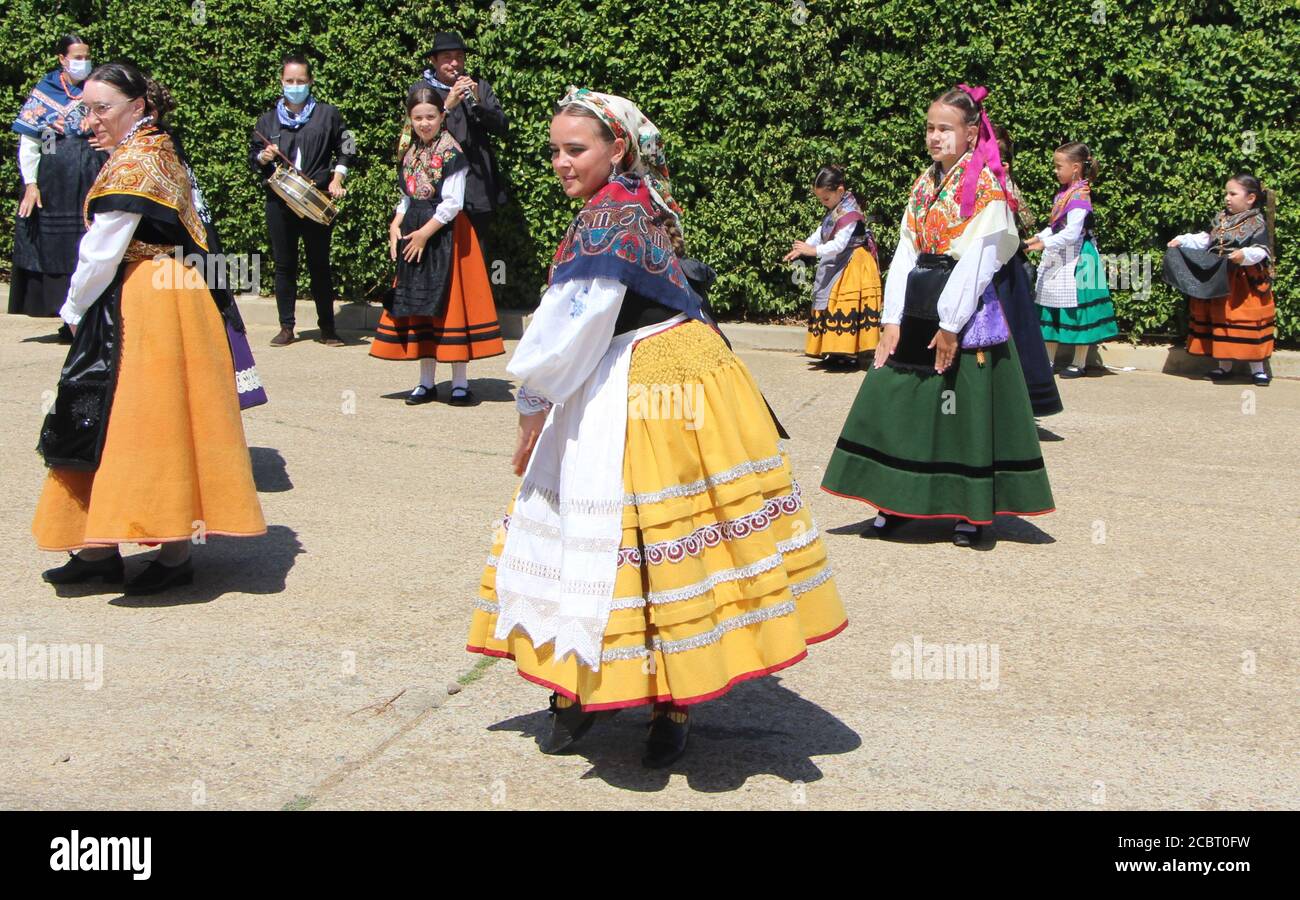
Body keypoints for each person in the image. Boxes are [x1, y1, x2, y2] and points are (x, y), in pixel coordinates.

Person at [466, 88, 845, 768]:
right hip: (689, 370)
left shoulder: (606, 220)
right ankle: (664, 699)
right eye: (554, 149)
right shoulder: (641, 201)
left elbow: (570, 330)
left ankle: (602, 690)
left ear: (618, 149)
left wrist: (531, 410)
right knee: (674, 542)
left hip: (641, 385)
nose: (560, 161)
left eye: (575, 149)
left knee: (603, 527)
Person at [32, 63, 266, 595]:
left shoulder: (136, 161)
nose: (90, 121)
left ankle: (163, 551)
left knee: (137, 419)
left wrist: (71, 310)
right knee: (136, 417)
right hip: (165, 294)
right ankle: (109, 547)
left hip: (148, 301)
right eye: (85, 110)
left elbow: (100, 250)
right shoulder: (157, 147)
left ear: (136, 107)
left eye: (101, 109)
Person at [821, 85, 1054, 548]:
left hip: (964, 310)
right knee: (898, 398)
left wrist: (950, 324)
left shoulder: (987, 186)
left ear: (971, 134)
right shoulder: (925, 183)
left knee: (960, 407)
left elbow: (981, 261)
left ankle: (970, 509)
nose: (934, 137)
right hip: (918, 300)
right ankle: (895, 498)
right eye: (930, 128)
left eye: (945, 129)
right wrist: (892, 317)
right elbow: (907, 247)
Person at [369, 85, 504, 404]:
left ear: (442, 116)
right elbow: (408, 193)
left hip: (447, 234)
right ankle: (425, 381)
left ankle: (459, 383)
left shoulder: (452, 151)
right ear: (410, 119)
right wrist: (396, 222)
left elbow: (453, 202)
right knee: (420, 306)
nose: (424, 123)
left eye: (430, 116)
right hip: (416, 228)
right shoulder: (410, 152)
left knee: (451, 306)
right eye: (418, 117)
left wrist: (425, 233)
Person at [250, 53, 355, 347]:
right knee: (284, 265)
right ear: (281, 82)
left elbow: (347, 145)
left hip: (315, 199)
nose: (294, 85)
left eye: (300, 81)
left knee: (319, 264)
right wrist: (263, 156)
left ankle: (328, 328)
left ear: (310, 81)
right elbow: (253, 159)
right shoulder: (267, 120)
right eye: (289, 81)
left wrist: (337, 178)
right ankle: (286, 327)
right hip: (279, 202)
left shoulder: (328, 114)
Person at [9, 34, 108, 339]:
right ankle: (68, 318)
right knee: (61, 247)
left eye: (86, 55)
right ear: (62, 60)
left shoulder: (100, 87)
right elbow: (34, 143)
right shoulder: (46, 91)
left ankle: (94, 318)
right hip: (57, 185)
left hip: (94, 175)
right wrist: (31, 183)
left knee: (93, 244)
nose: (83, 62)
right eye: (77, 56)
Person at [1164, 173, 1276, 386]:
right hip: (1220, 278)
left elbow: (1262, 251)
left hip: (1244, 283)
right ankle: (1224, 366)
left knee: (1247, 320)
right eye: (1226, 193)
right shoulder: (1221, 218)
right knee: (1221, 320)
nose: (1227, 197)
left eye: (1233, 193)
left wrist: (1245, 255)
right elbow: (1208, 239)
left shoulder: (1256, 222)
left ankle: (1258, 369)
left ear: (1250, 198)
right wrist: (1183, 240)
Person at [1026, 142, 1118, 378]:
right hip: (1060, 253)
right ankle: (1047, 361)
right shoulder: (1066, 193)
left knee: (1079, 310)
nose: (1055, 171)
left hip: (1078, 257)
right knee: (1049, 305)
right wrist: (1035, 239)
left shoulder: (1080, 195)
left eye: (1059, 166)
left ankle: (1079, 362)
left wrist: (1043, 243)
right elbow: (1056, 227)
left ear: (1075, 168)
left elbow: (1072, 232)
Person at [415, 32, 508, 258]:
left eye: (459, 56)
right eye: (447, 57)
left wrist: (479, 103)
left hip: (477, 189)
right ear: (434, 61)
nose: (455, 63)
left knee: (475, 256)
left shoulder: (479, 86)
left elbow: (502, 127)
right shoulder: (421, 91)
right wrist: (447, 105)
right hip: (437, 185)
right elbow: (419, 135)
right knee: (440, 255)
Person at [993, 126, 1062, 416]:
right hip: (988, 265)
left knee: (1013, 336)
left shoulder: (1003, 183)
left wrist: (1004, 181)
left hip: (1007, 268)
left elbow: (1024, 219)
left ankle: (1015, 408)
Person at [784, 164, 882, 368]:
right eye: (820, 199)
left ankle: (850, 350)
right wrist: (804, 247)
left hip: (854, 262)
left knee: (844, 303)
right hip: (838, 260)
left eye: (825, 199)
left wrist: (813, 251)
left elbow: (839, 244)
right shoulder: (835, 209)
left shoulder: (850, 214)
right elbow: (822, 232)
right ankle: (836, 350)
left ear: (839, 190)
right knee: (830, 300)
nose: (823, 203)